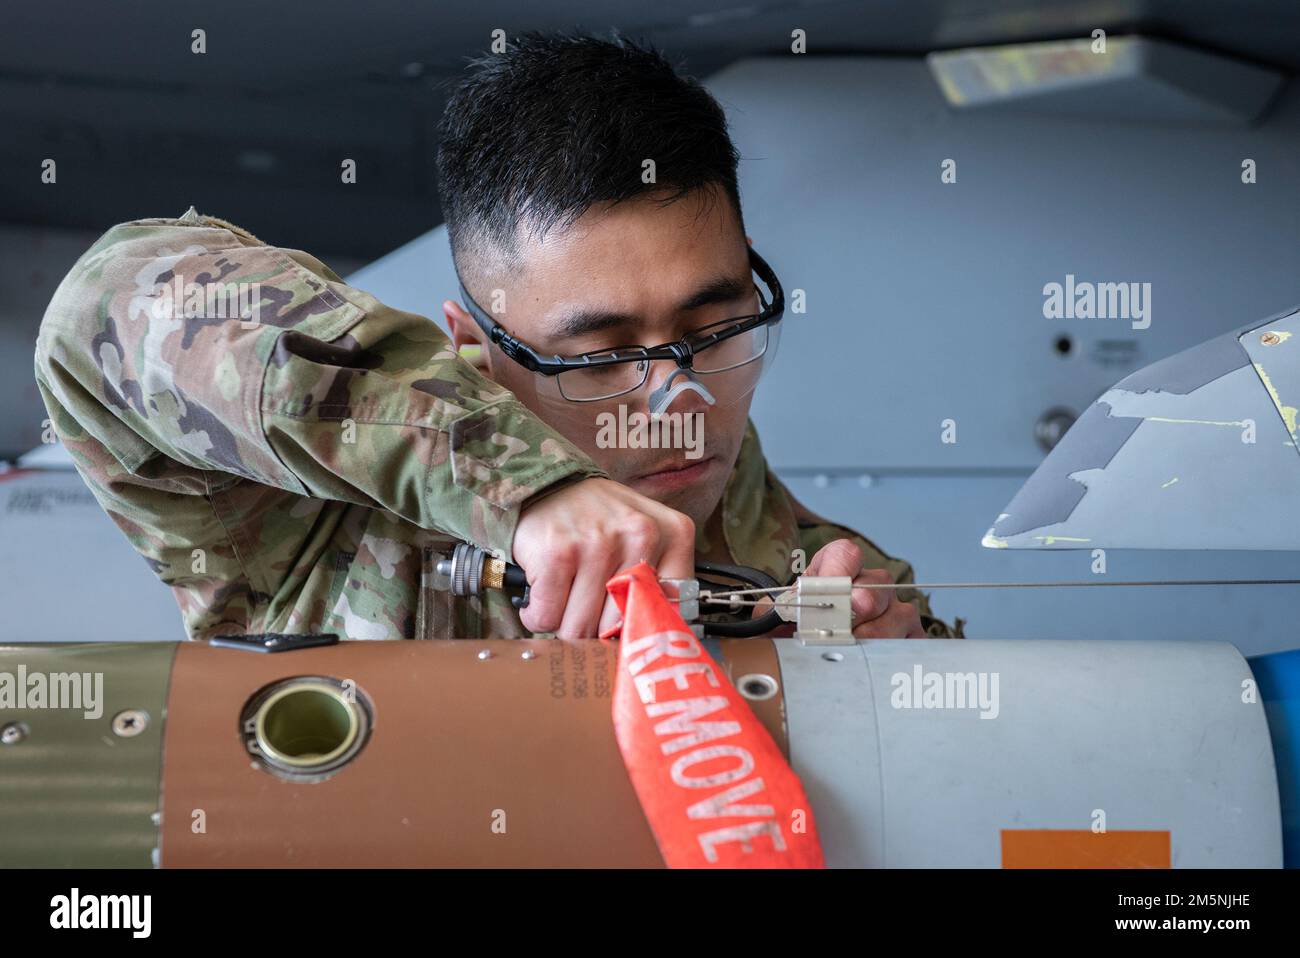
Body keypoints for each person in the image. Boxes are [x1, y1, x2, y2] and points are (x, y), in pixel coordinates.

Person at [34, 32, 962, 641]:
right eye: (598, 353)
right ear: (474, 342)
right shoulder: (312, 529)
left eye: (712, 327)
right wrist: (524, 487)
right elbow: (102, 309)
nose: (672, 397)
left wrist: (898, 696)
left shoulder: (842, 587)